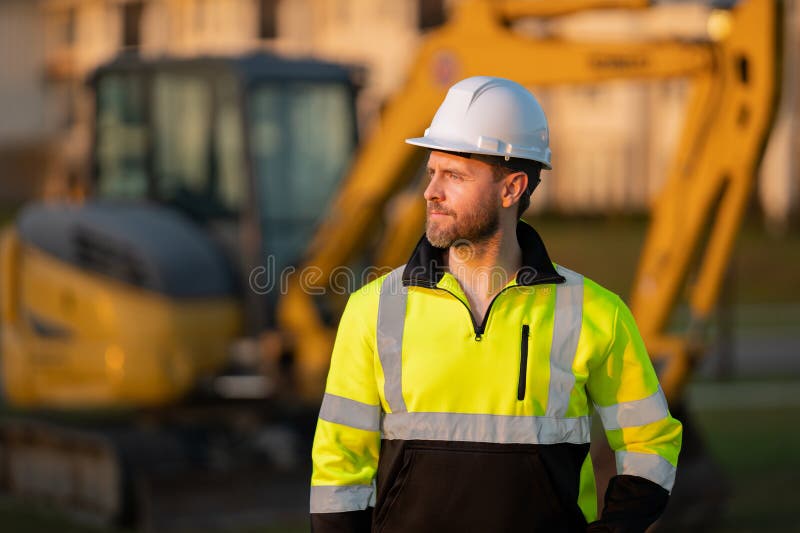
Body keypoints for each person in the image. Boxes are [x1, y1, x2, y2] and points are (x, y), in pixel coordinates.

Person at [309, 76, 682, 532]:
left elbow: (652, 443)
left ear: (512, 189)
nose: (431, 192)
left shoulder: (596, 314)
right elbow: (338, 466)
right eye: (431, 173)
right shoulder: (373, 310)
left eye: (454, 176)